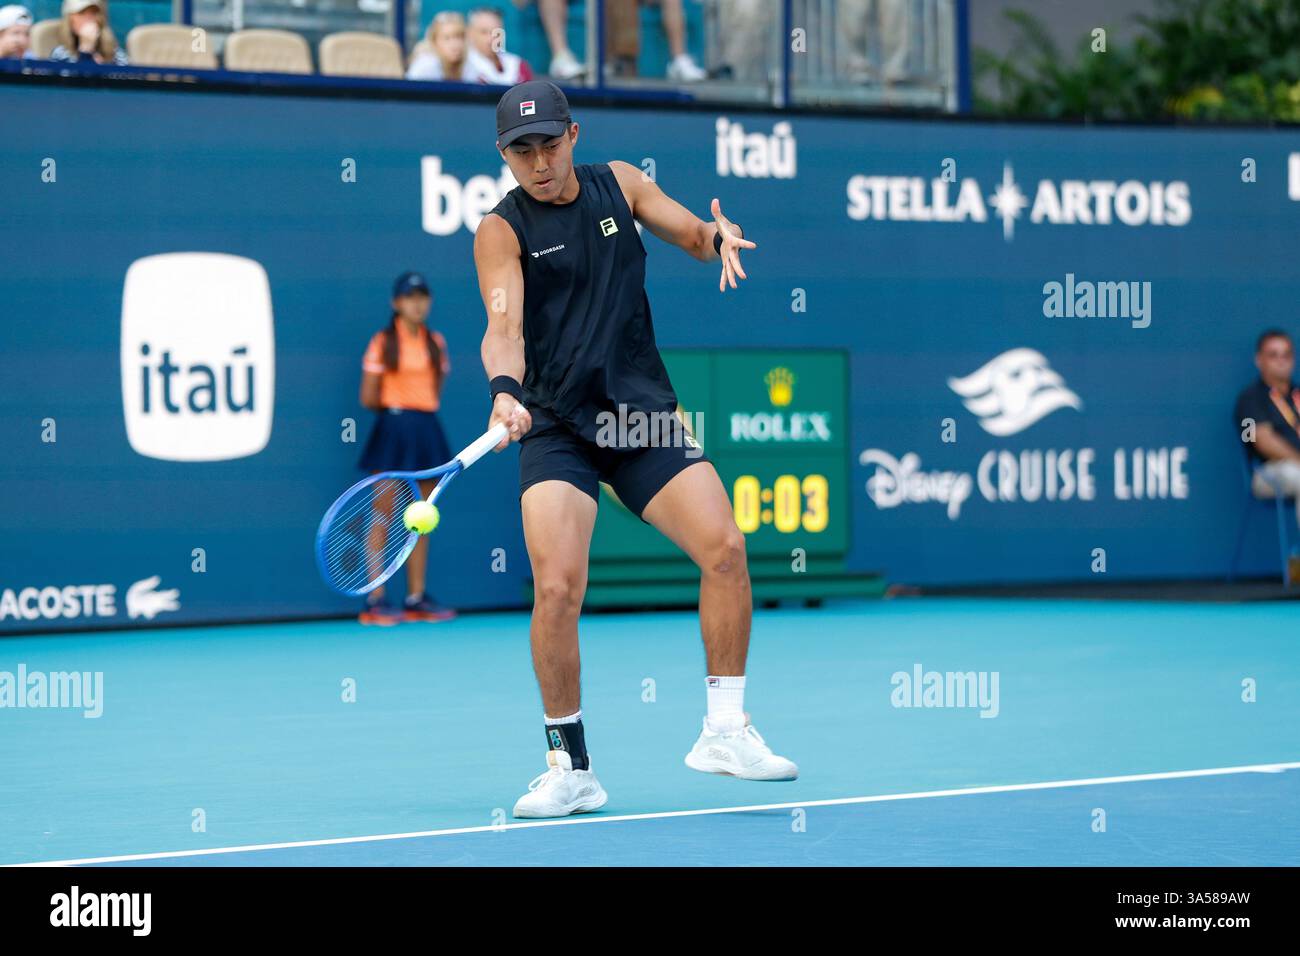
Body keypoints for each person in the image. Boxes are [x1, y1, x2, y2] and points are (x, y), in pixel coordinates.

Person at [473, 80, 797, 819]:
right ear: (504, 156)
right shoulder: (500, 230)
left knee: (725, 547)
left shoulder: (620, 184)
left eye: (549, 144)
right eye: (522, 151)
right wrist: (504, 389)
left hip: (637, 415)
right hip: (555, 424)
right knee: (556, 588)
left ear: (573, 136)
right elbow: (505, 324)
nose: (539, 161)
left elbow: (688, 234)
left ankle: (725, 732)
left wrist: (717, 239)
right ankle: (570, 766)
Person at [357, 272, 457, 626]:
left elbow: (435, 388)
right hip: (392, 429)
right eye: (410, 297)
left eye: (423, 296)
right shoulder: (382, 342)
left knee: (421, 517)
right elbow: (368, 396)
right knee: (382, 513)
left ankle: (416, 597)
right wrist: (399, 410)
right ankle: (376, 598)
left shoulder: (436, 342)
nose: (417, 303)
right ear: (396, 303)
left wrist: (416, 409)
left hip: (426, 429)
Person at [1236, 329, 1300, 541]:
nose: (1281, 361)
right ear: (1259, 360)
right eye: (1273, 355)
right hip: (1267, 471)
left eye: (1286, 355)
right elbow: (1262, 441)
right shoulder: (1249, 399)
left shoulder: (1297, 394)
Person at [461, 6, 534, 86]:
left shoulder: (518, 66)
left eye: (496, 32)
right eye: (483, 32)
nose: (490, 38)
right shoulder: (460, 66)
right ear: (469, 33)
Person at [48, 0, 129, 66]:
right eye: (81, 13)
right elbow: (74, 84)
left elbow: (125, 81)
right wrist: (86, 49)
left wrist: (103, 67)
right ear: (69, 20)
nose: (88, 18)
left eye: (94, 13)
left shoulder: (116, 53)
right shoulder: (60, 53)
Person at [406, 10, 467, 82]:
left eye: (459, 37)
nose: (454, 44)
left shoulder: (472, 65)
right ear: (434, 41)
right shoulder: (425, 67)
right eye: (447, 38)